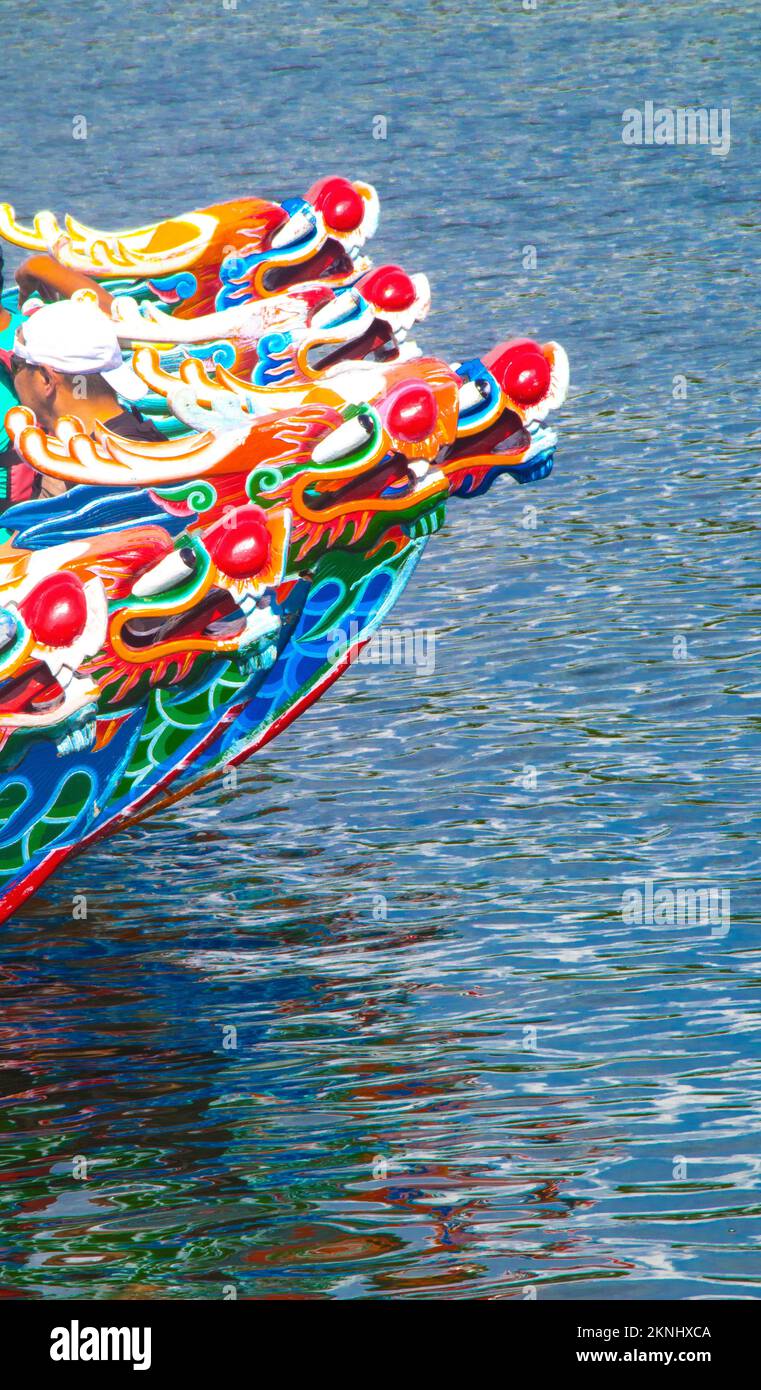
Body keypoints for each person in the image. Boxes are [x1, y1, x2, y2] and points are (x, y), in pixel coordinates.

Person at [9, 298, 164, 499]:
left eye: (15, 365)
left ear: (46, 378)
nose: (13, 377)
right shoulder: (132, 438)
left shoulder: (104, 471)